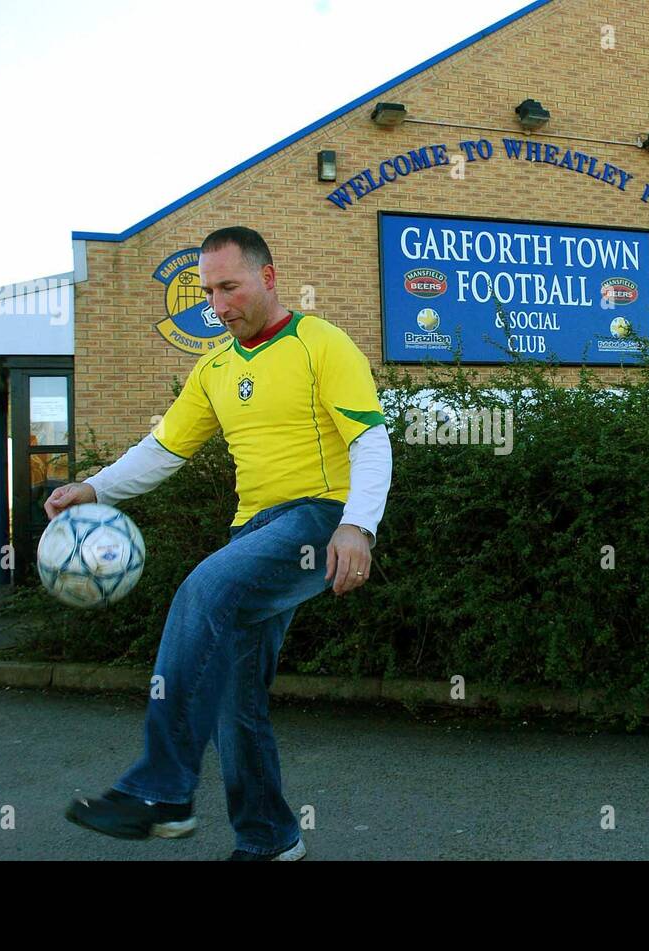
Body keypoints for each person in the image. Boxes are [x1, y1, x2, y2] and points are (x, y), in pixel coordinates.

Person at [47, 226, 392, 861]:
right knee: (236, 701)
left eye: (229, 287)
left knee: (203, 586)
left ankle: (162, 792)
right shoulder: (213, 367)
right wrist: (92, 489)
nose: (219, 304)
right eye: (209, 292)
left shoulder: (321, 343)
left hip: (317, 519)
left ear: (267, 276)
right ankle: (270, 840)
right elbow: (163, 450)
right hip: (253, 530)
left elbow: (370, 439)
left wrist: (357, 525)